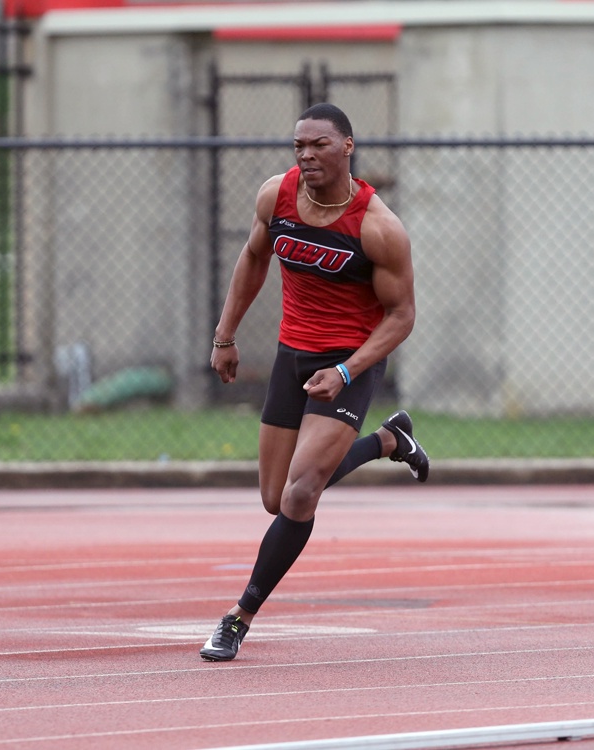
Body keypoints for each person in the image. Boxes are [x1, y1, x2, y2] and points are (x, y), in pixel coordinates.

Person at [199, 103, 430, 662]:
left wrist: (349, 369)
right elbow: (254, 257)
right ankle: (388, 441)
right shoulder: (276, 196)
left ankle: (238, 616)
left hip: (350, 360)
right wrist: (225, 335)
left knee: (302, 492)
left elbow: (401, 316)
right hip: (293, 356)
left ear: (347, 147)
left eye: (319, 144)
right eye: (299, 145)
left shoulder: (378, 227)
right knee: (275, 497)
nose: (306, 155)